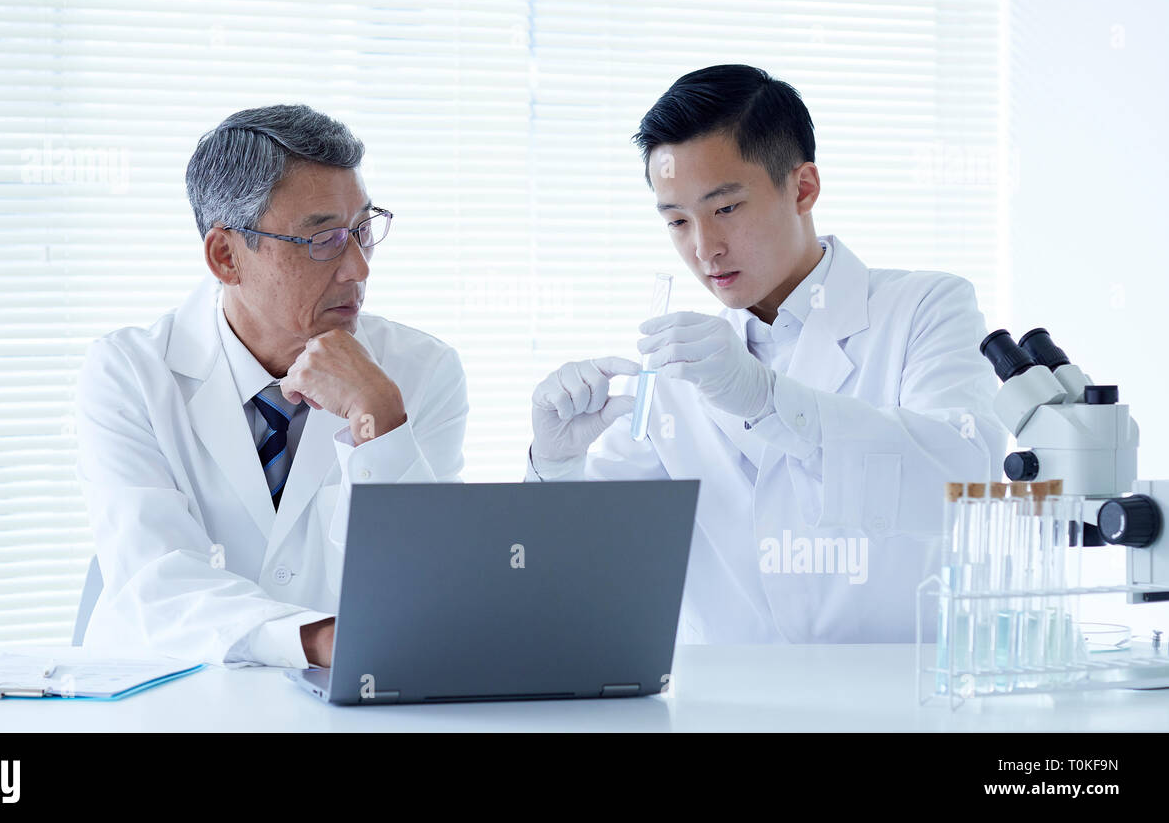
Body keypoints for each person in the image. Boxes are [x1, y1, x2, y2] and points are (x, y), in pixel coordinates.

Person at [526, 65, 1006, 643]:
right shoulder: (677, 363)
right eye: (678, 221)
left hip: (898, 697)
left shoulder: (925, 307)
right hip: (726, 708)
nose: (704, 248)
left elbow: (960, 480)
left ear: (802, 188)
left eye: (725, 209)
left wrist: (768, 399)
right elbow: (588, 565)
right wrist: (554, 465)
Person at [75, 105, 467, 668]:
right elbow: (157, 583)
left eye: (362, 230)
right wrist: (316, 640)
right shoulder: (128, 373)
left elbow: (430, 591)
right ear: (226, 256)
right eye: (324, 239)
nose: (358, 268)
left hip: (349, 706)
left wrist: (380, 419)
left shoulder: (421, 370)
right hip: (165, 694)